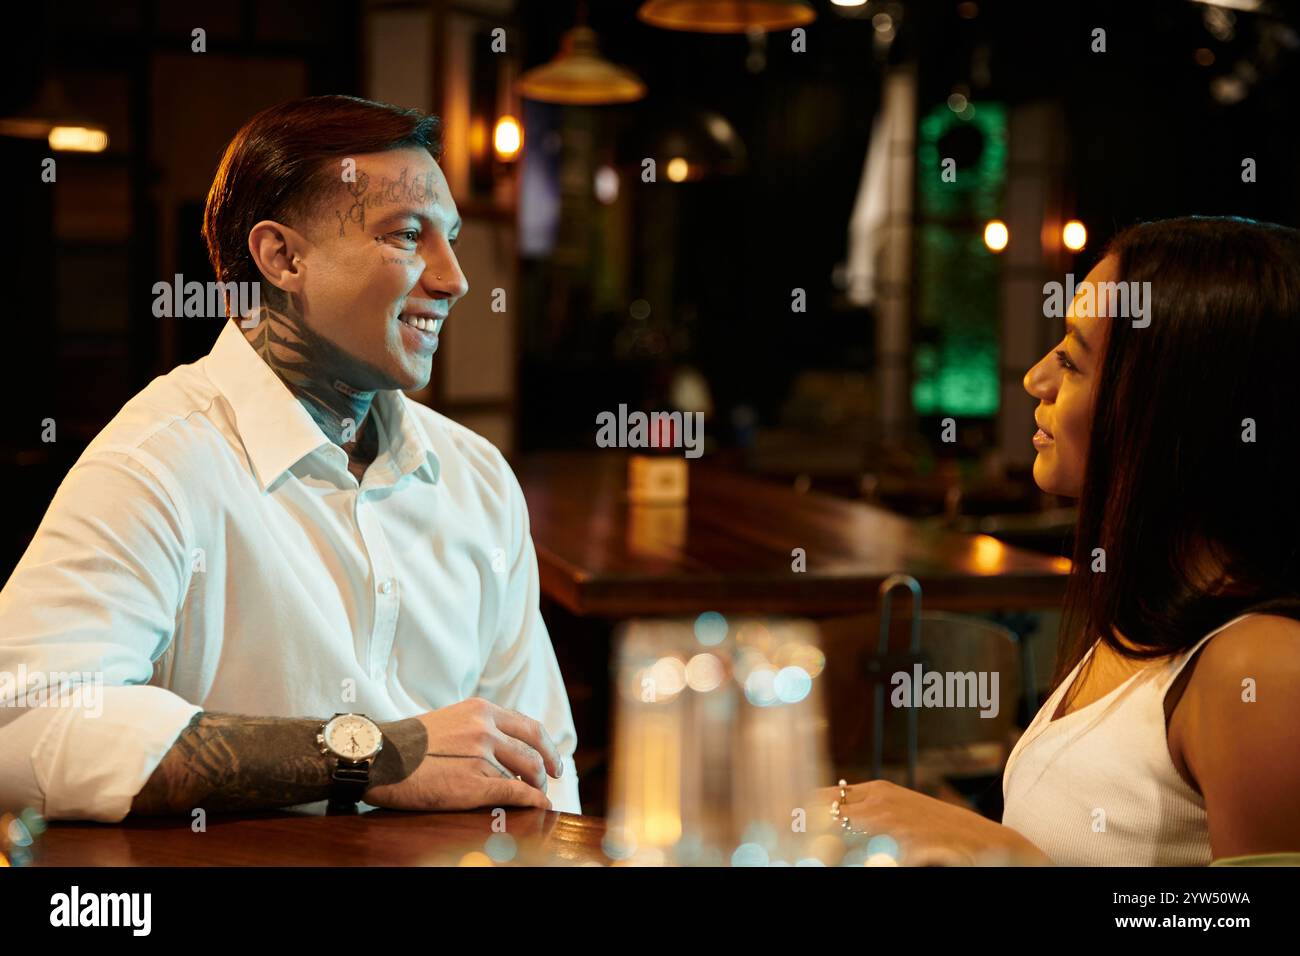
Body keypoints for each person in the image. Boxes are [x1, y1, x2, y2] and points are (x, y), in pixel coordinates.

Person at [0, 95, 578, 821]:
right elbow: (21, 727)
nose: (454, 277)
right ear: (282, 257)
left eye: (451, 239)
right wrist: (372, 756)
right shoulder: (161, 460)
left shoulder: (476, 476)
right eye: (407, 236)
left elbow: (543, 757)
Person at [825, 217, 1300, 865]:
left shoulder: (1262, 667)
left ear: (1168, 404)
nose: (1036, 380)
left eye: (1073, 359)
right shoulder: (1147, 617)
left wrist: (1006, 856)